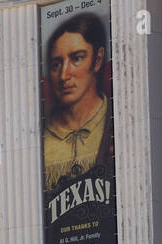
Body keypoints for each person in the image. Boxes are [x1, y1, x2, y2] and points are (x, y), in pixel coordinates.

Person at [42, 12, 111, 191]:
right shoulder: (43, 136)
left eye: (77, 58)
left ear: (97, 60)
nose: (64, 75)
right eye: (57, 64)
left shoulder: (114, 121)